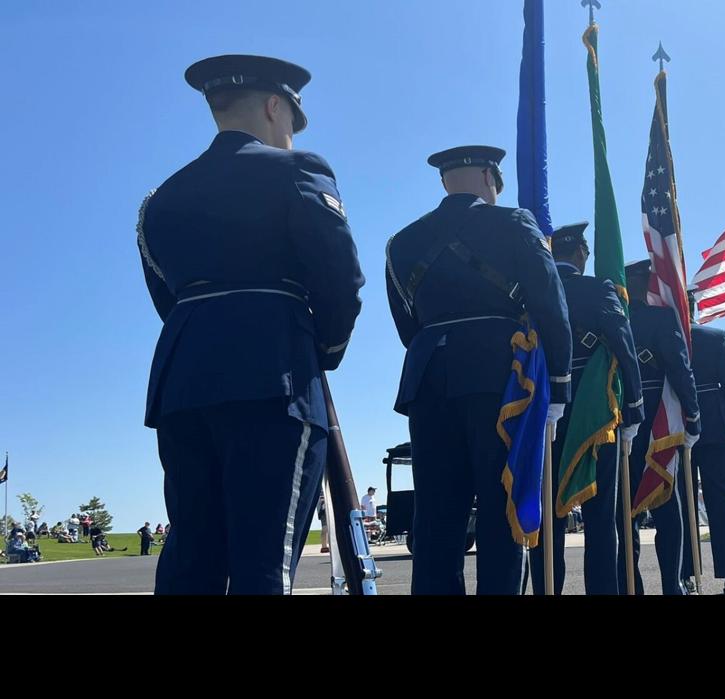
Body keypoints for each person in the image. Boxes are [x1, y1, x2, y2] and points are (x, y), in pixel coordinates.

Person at [139, 55, 362, 593]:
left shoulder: (161, 198)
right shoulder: (298, 169)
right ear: (273, 105)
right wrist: (324, 350)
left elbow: (166, 296)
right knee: (265, 563)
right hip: (273, 375)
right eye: (290, 119)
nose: (290, 133)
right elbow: (338, 278)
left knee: (191, 559)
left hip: (182, 382)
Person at [386, 144, 571, 594]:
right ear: (490, 177)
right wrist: (559, 388)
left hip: (428, 378)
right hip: (500, 377)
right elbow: (550, 304)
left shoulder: (402, 241)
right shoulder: (513, 223)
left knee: (435, 517)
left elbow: (407, 327)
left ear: (444, 181)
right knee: (501, 508)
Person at [529, 222, 643, 594]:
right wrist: (634, 410)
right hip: (595, 413)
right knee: (599, 519)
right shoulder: (598, 289)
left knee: (547, 517)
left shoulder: (532, 292)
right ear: (580, 253)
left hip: (542, 410)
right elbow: (624, 346)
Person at [620, 260, 700, 595]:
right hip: (659, 425)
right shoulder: (662, 318)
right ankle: (673, 584)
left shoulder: (616, 315)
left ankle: (630, 584)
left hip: (621, 422)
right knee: (668, 508)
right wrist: (693, 417)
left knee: (625, 512)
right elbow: (680, 370)